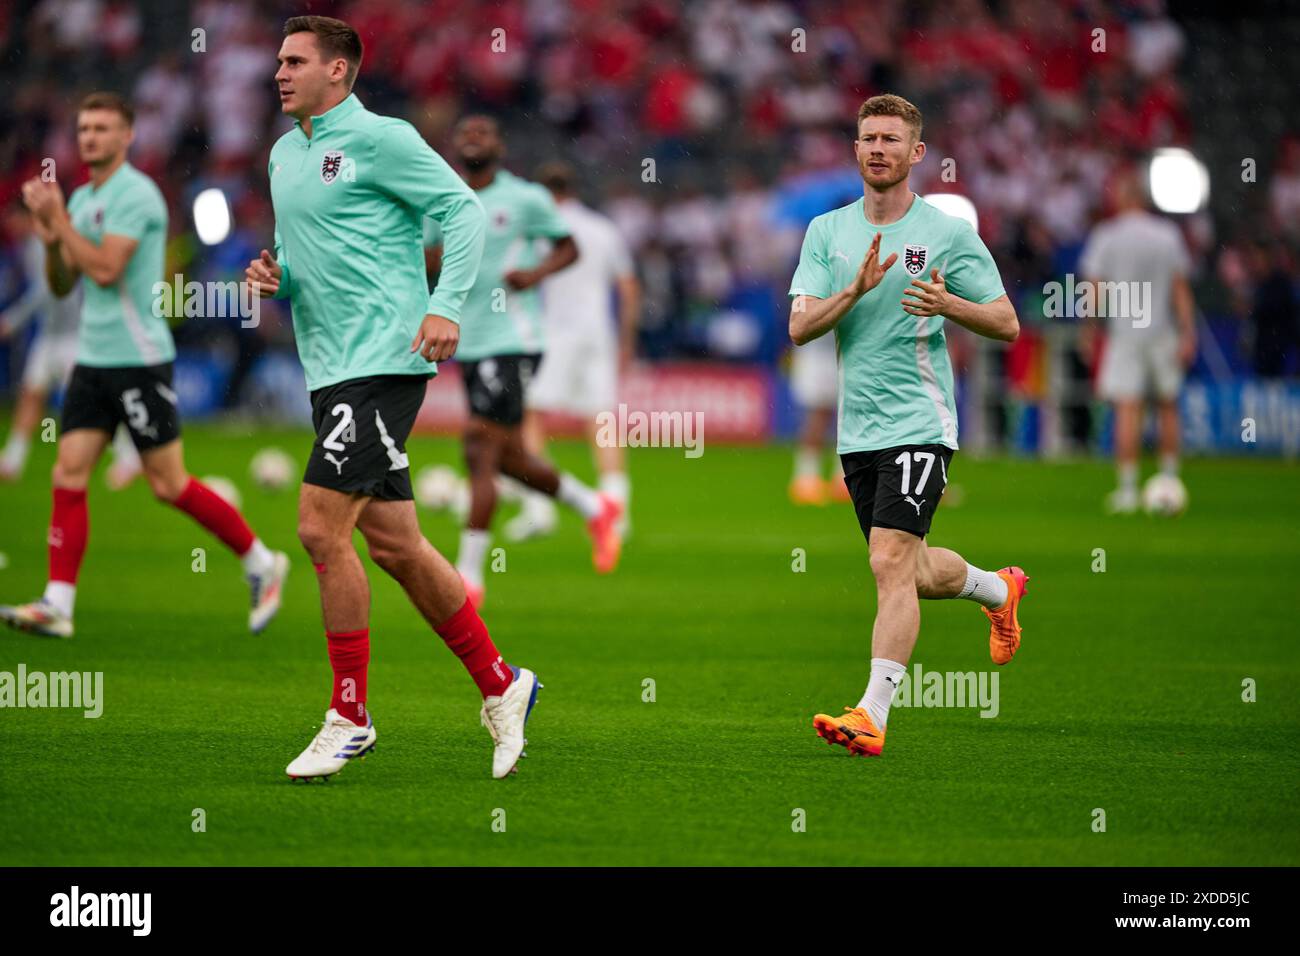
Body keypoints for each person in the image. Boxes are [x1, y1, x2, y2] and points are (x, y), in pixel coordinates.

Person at [248, 16, 537, 781]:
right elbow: (314, 257)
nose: (279, 73)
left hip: (385, 361)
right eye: (278, 60)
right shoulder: (283, 154)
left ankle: (350, 715)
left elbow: (463, 211)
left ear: (338, 72)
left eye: (295, 61)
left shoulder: (384, 139)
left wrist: (446, 305)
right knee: (397, 547)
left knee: (317, 530)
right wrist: (280, 278)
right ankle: (503, 686)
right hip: (330, 369)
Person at [788, 94, 1028, 758]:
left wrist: (950, 301)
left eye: (892, 140)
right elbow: (799, 328)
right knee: (914, 571)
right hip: (858, 432)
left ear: (916, 153)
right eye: (868, 138)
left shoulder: (946, 233)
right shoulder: (827, 233)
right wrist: (852, 291)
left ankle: (872, 713)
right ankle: (998, 588)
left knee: (887, 562)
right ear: (855, 148)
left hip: (921, 423)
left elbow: (1007, 322)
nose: (878, 149)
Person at [1, 92, 288, 642]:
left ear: (127, 137)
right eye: (84, 128)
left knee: (169, 484)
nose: (90, 138)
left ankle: (260, 560)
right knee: (68, 472)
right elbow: (65, 283)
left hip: (139, 359)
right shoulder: (82, 199)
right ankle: (58, 601)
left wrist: (58, 222)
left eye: (103, 128)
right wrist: (53, 235)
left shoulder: (139, 197)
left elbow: (107, 270)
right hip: (93, 356)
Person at [427, 116, 621, 611]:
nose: (473, 137)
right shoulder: (442, 197)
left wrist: (535, 274)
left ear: (500, 144)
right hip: (464, 340)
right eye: (465, 132)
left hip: (513, 337)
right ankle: (595, 506)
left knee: (478, 447)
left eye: (483, 132)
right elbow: (428, 258)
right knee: (510, 455)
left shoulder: (526, 197)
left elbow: (569, 246)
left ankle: (469, 575)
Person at [506, 160, 640, 542]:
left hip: (554, 334)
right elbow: (629, 288)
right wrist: (627, 341)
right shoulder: (603, 228)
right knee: (601, 420)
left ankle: (540, 507)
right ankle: (618, 509)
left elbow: (519, 281)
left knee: (531, 416)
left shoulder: (538, 229)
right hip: (599, 333)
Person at [1080, 170, 1197, 513]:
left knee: (1128, 408)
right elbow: (1179, 289)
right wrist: (1188, 332)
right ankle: (1170, 478)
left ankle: (1128, 489)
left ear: (1123, 197)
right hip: (1162, 331)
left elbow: (1095, 289)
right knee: (1167, 405)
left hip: (1126, 334)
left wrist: (1090, 328)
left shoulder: (1108, 235)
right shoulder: (1167, 235)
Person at [0, 202, 140, 487]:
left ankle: (129, 456)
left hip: (72, 336)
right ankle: (13, 459)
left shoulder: (46, 245)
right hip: (49, 337)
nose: (9, 224)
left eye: (13, 217)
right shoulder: (29, 247)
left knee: (95, 400)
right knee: (31, 394)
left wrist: (13, 321)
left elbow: (47, 291)